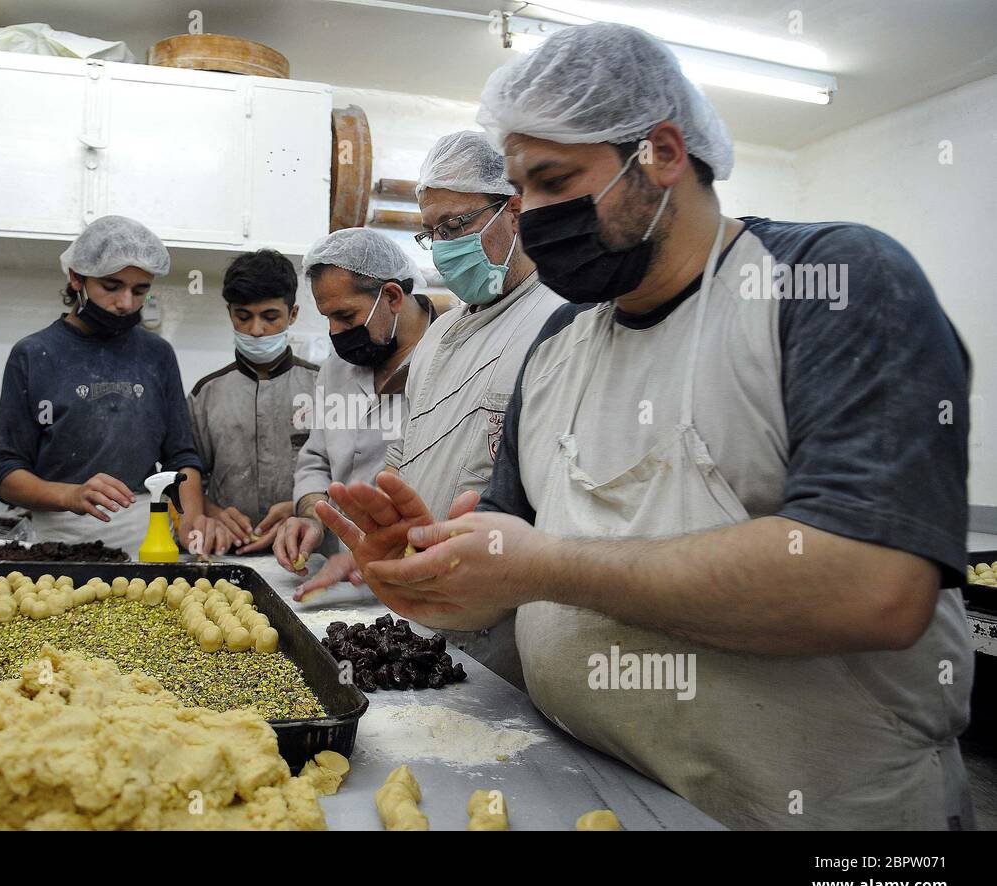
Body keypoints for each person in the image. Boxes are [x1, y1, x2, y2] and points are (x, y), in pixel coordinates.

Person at [315, 23, 974, 830]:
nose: (530, 218)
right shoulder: (561, 346)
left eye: (555, 180)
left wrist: (552, 567)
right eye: (519, 192)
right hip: (590, 789)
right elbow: (501, 564)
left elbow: (876, 588)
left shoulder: (825, 285)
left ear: (661, 153)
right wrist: (422, 578)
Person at [364, 129, 561, 688]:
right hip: (422, 607)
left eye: (456, 226)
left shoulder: (560, 318)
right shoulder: (441, 332)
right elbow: (408, 449)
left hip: (503, 627)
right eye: (432, 233)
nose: (444, 245)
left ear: (514, 212)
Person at [0, 215, 232, 555]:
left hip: (145, 536)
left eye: (140, 290)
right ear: (77, 278)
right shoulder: (33, 355)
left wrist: (190, 519)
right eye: (111, 286)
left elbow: (182, 456)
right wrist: (70, 495)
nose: (126, 304)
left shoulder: (157, 354)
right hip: (57, 540)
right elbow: (6, 474)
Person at [273, 228, 434, 595]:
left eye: (345, 316)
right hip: (339, 577)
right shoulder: (336, 368)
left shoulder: (449, 359)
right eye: (327, 317)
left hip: (421, 574)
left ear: (392, 296)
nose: (335, 332)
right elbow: (315, 459)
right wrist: (312, 515)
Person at [188, 249, 320, 555]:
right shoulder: (205, 394)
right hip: (225, 551)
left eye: (270, 317)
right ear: (230, 313)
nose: (256, 330)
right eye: (243, 317)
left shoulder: (324, 386)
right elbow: (186, 477)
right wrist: (211, 512)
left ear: (293, 314)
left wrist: (305, 508)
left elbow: (347, 475)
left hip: (308, 552)